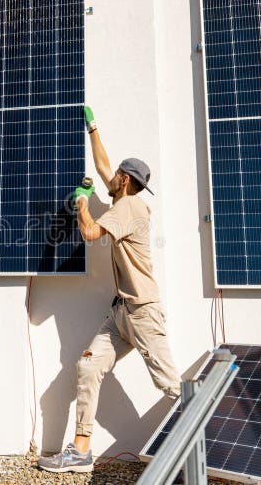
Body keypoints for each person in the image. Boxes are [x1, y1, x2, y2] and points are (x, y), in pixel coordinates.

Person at [37, 106, 182, 473]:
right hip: (120, 314)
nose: (110, 176)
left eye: (117, 175)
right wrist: (93, 128)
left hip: (144, 312)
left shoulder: (132, 207)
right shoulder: (124, 197)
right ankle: (81, 452)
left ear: (126, 182)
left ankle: (205, 449)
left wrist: (82, 203)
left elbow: (89, 233)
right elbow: (104, 167)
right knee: (87, 367)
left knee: (171, 386)